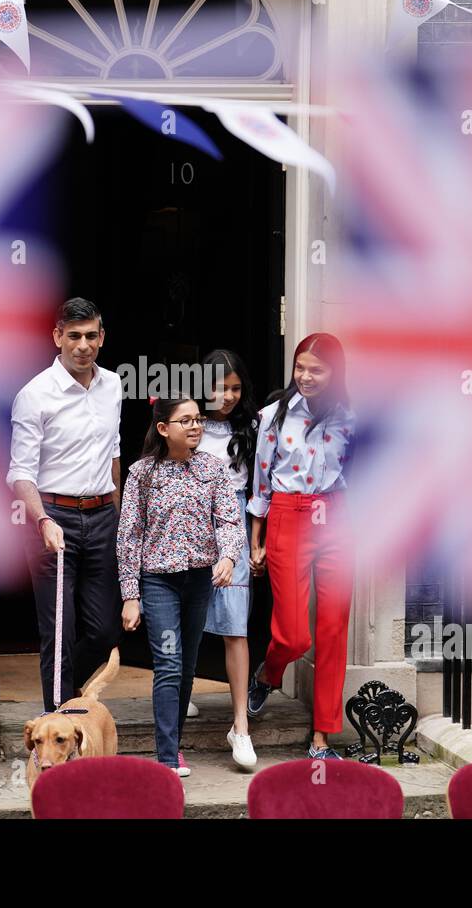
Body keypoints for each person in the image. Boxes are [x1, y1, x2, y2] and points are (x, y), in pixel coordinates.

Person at [116, 396, 245, 777]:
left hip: (199, 581)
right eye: (185, 420)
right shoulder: (142, 473)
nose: (195, 426)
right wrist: (130, 595)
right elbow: (129, 537)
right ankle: (168, 758)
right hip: (159, 583)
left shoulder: (212, 468)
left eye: (198, 419)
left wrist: (228, 557)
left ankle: (174, 745)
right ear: (162, 428)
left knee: (187, 668)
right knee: (169, 666)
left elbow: (228, 521)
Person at [7, 298, 123, 710]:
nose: (83, 345)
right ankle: (57, 726)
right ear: (57, 337)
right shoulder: (35, 395)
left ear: (102, 337)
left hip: (101, 515)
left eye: (91, 336)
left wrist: (119, 514)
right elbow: (20, 473)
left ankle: (63, 701)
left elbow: (113, 452)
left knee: (105, 629)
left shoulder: (113, 385)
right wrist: (41, 521)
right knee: (58, 630)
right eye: (73, 336)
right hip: (52, 518)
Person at [246, 333, 355, 761]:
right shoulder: (273, 416)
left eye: (316, 370)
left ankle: (322, 738)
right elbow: (260, 481)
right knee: (294, 634)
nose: (305, 377)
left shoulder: (351, 419)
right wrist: (256, 538)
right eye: (300, 368)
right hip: (287, 516)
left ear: (335, 374)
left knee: (333, 630)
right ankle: (269, 673)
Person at [194, 349, 259, 770]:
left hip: (233, 519)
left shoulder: (252, 426)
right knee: (184, 615)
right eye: (220, 387)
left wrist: (256, 540)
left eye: (236, 388)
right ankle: (181, 693)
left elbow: (261, 488)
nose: (229, 395)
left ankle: (240, 725)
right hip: (190, 519)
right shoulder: (188, 421)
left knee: (236, 623)